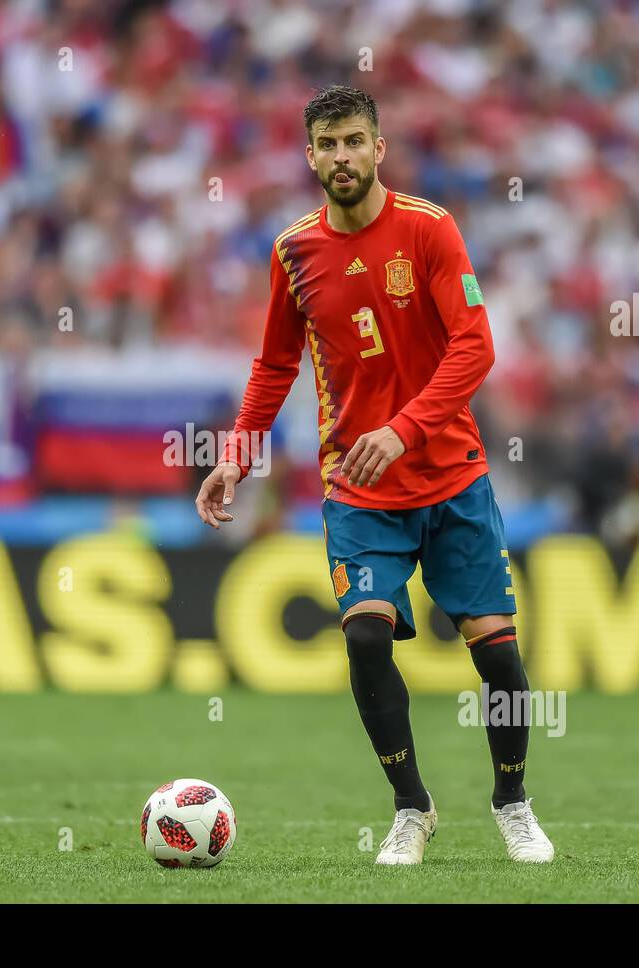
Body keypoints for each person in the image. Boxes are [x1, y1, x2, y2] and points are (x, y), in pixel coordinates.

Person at [195, 84, 553, 865]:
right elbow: (274, 364)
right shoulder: (293, 251)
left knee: (496, 651)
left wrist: (404, 429)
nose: (342, 156)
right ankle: (411, 806)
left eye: (354, 140)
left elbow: (476, 347)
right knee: (364, 635)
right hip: (358, 486)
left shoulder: (429, 229)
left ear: (379, 147)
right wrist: (236, 456)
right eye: (327, 144)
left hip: (451, 473)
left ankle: (513, 799)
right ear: (309, 155)